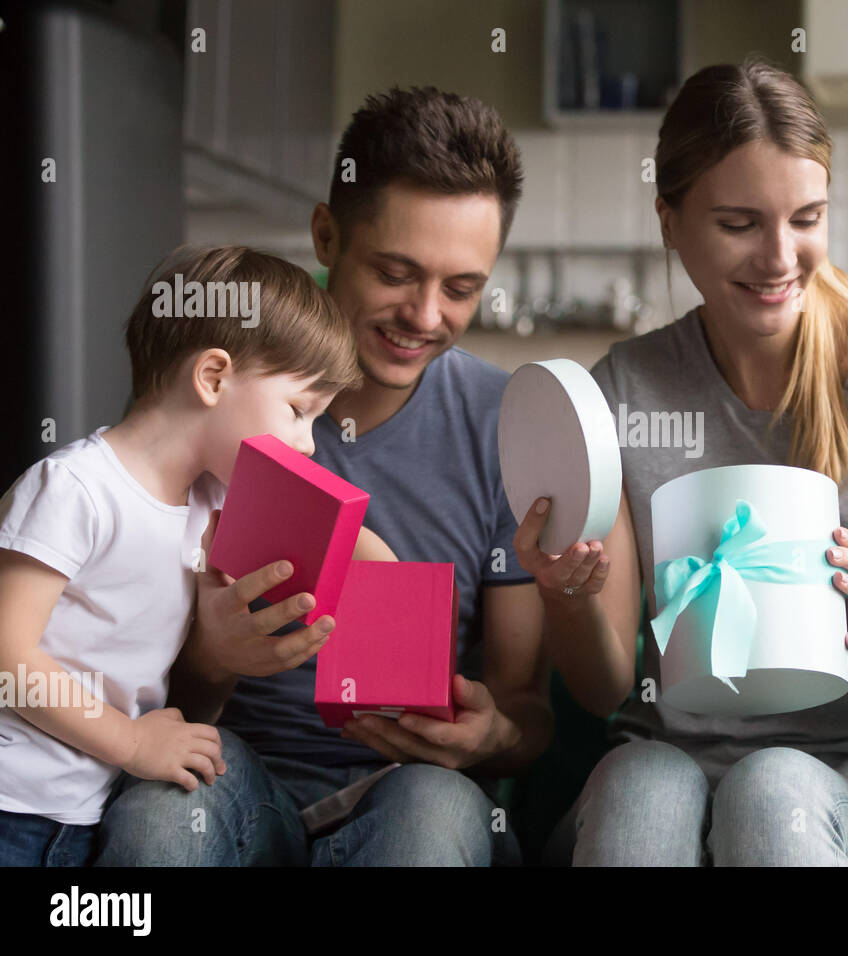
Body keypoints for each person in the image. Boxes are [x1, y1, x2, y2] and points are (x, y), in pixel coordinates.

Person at [515, 58, 848, 866]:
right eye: (739, 223)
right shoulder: (621, 393)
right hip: (673, 779)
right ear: (670, 220)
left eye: (807, 217)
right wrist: (567, 595)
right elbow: (604, 688)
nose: (779, 257)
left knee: (773, 791)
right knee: (639, 781)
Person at [95, 87, 553, 867]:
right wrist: (213, 658)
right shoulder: (215, 392)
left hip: (407, 788)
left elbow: (528, 718)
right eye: (396, 272)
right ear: (326, 234)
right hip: (235, 772)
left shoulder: (506, 423)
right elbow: (133, 691)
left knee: (435, 814)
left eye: (462, 288)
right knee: (159, 814)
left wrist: (491, 735)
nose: (425, 314)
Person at [0, 245, 372, 865]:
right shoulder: (75, 489)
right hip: (15, 805)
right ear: (213, 377)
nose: (308, 445)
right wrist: (131, 743)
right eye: (299, 411)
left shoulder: (209, 500)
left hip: (84, 813)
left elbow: (370, 555)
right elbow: (7, 654)